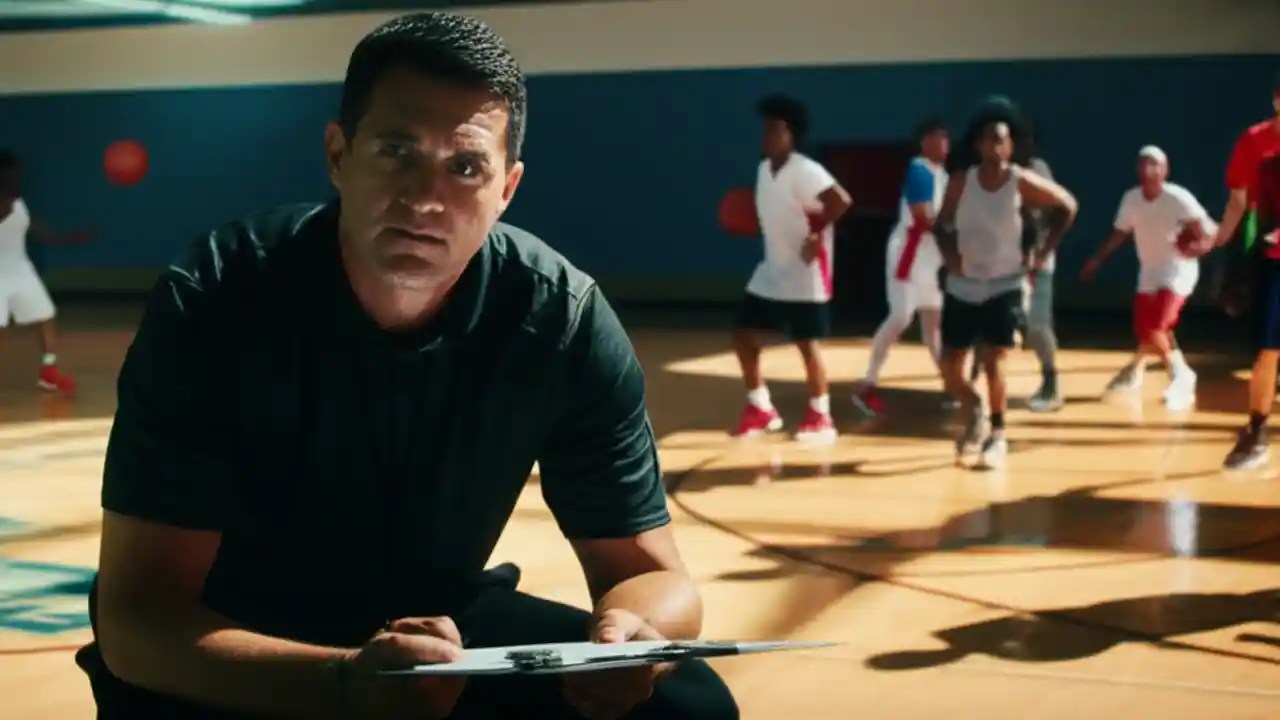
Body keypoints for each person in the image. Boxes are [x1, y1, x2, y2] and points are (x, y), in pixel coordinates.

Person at [79, 13, 737, 720]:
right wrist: (338, 685)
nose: (426, 198)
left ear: (507, 188)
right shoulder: (217, 300)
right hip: (233, 648)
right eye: (397, 151)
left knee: (687, 705)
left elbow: (652, 577)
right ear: (339, 153)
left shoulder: (560, 321)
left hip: (433, 632)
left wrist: (636, 637)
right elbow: (139, 622)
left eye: (465, 166)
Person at [934, 99, 1077, 468]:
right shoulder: (961, 182)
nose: (996, 147)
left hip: (1005, 283)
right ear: (979, 145)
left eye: (1003, 140)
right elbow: (941, 223)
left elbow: (1067, 205)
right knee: (950, 367)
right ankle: (975, 407)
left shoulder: (1020, 181)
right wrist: (950, 254)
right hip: (964, 284)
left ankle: (997, 435)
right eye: (990, 140)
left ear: (1012, 146)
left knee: (996, 360)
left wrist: (1044, 251)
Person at [731, 94, 852, 443]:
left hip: (805, 274)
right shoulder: (762, 170)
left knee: (806, 345)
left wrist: (816, 236)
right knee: (743, 334)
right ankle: (760, 407)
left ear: (791, 135)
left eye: (775, 130)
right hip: (771, 272)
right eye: (765, 130)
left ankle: (821, 415)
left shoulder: (805, 169)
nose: (766, 136)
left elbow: (840, 201)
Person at [1080, 145, 1215, 411]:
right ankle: (1136, 369)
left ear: (1165, 170)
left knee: (1157, 325)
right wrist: (1096, 260)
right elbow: (1119, 234)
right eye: (1142, 164)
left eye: (1153, 164)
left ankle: (1181, 375)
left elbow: (1209, 232)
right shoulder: (1131, 199)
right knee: (1147, 330)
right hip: (1149, 271)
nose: (1147, 170)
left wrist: (1198, 247)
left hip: (1179, 269)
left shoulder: (1178, 197)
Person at [853, 117, 950, 416]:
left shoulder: (943, 175)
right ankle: (866, 385)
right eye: (937, 137)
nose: (944, 143)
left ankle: (951, 382)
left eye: (946, 138)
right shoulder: (919, 168)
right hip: (909, 251)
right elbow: (922, 216)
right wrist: (955, 239)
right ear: (925, 142)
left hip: (931, 256)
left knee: (934, 325)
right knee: (900, 316)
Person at [1210, 69, 1280, 470]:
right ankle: (1256, 431)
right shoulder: (1254, 142)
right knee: (1267, 349)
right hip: (1271, 259)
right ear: (1275, 98)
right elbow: (1238, 202)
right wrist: (1218, 242)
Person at [0, 151, 87, 395]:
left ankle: (49, 373)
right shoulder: (6, 203)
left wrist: (72, 238)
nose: (17, 178)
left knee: (46, 317)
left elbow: (42, 233)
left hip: (20, 270)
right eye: (10, 174)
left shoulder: (18, 203)